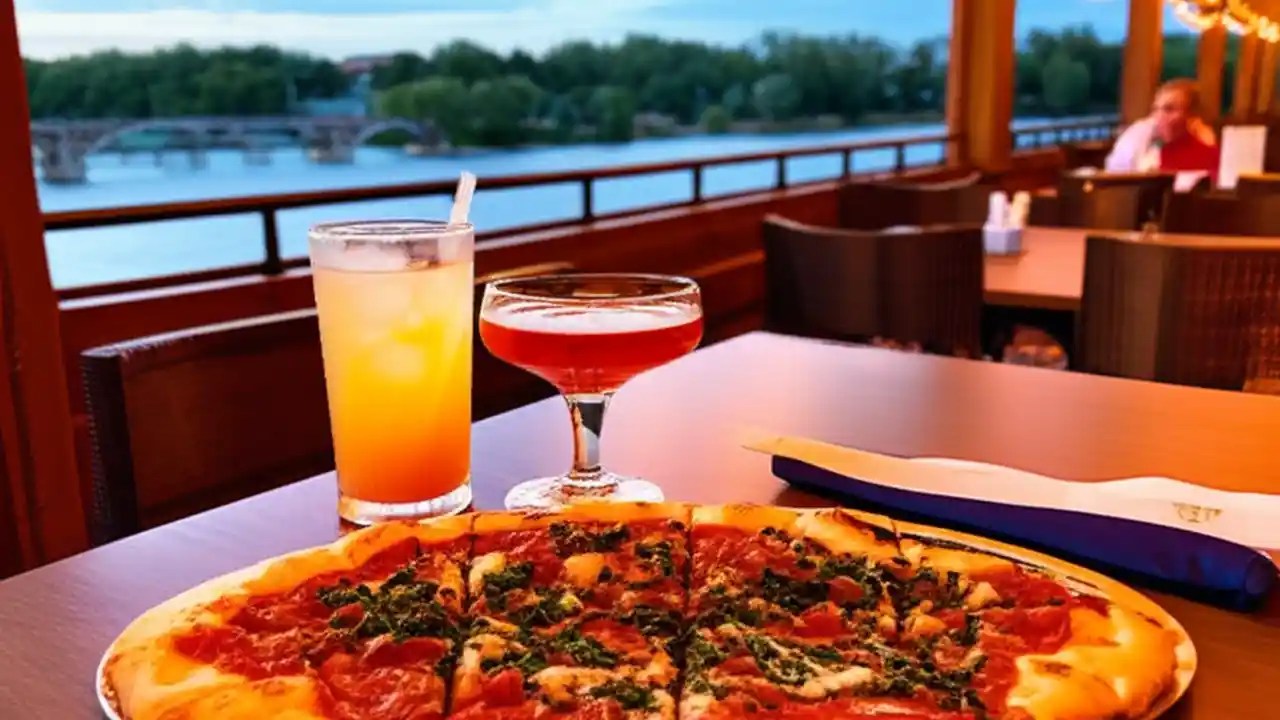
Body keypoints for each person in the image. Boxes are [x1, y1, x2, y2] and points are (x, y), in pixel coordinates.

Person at [1104, 79, 1219, 181]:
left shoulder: (1211, 157)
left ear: (1191, 114)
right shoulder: (1147, 149)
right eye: (1156, 109)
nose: (1159, 116)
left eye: (1169, 109)